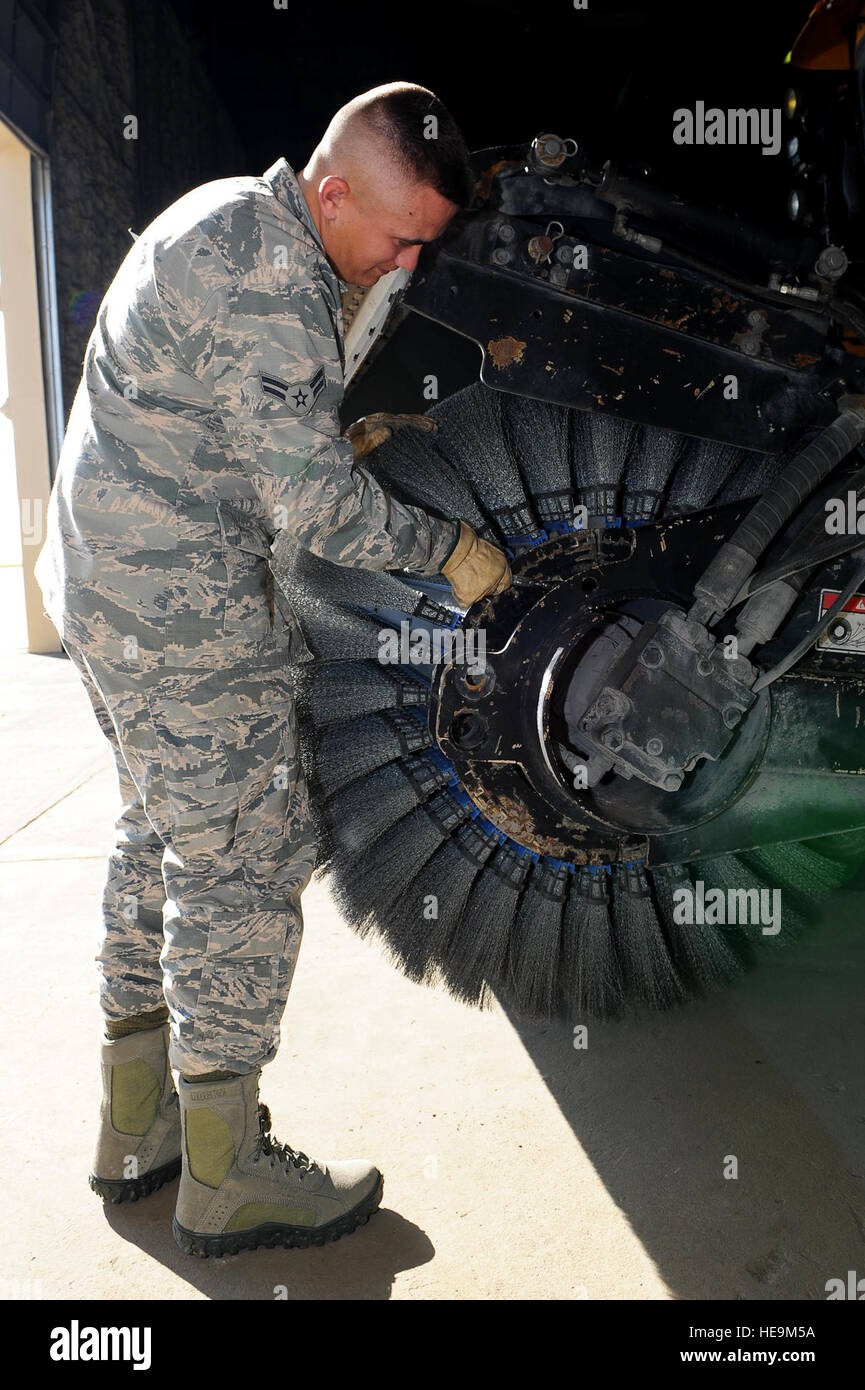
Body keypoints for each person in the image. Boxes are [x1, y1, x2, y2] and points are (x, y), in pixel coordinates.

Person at [34, 81, 511, 1258]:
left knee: (162, 831)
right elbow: (308, 507)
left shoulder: (226, 218)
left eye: (425, 246)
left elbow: (252, 433)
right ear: (332, 190)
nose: (407, 261)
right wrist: (449, 553)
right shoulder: (272, 272)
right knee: (246, 854)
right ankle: (226, 1172)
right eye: (399, 236)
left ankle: (136, 1132)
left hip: (110, 586)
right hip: (179, 605)